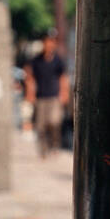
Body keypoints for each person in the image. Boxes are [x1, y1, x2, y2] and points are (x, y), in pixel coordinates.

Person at [25, 29, 69, 157]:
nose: (49, 44)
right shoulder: (36, 60)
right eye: (47, 41)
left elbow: (63, 77)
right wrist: (30, 93)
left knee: (54, 122)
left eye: (52, 41)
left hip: (54, 97)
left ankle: (54, 145)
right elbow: (30, 77)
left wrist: (64, 93)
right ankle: (43, 150)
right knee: (41, 126)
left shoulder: (58, 61)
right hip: (40, 97)